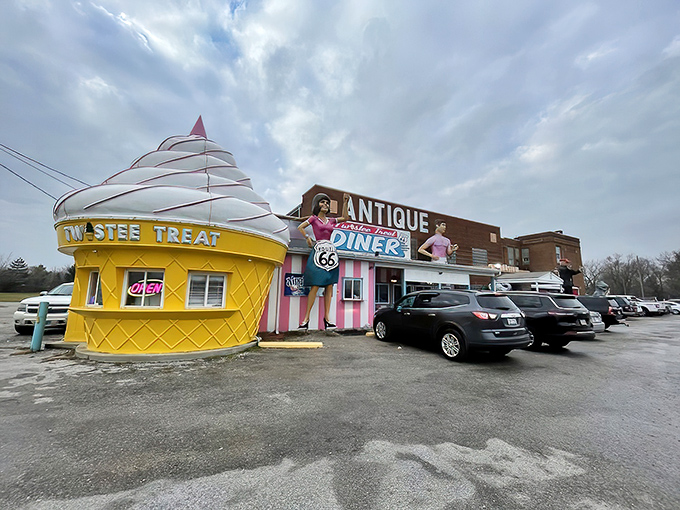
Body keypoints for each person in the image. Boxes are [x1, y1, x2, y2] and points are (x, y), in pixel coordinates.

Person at [297, 192, 350, 330]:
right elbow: (300, 227)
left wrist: (345, 202)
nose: (325, 205)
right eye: (322, 202)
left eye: (327, 203)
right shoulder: (313, 219)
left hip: (330, 252)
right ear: (317, 204)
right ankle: (305, 319)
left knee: (329, 286)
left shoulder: (331, 220)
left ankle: (327, 318)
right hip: (318, 250)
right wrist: (308, 238)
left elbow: (345, 218)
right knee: (315, 285)